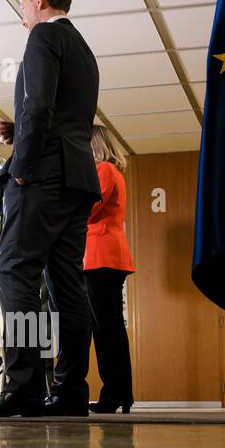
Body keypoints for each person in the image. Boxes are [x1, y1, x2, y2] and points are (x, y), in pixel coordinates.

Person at [0, 0, 100, 418]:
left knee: (15, 273)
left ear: (38, 0)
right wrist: (19, 132)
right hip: (77, 179)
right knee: (67, 287)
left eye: (23, 5)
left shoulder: (43, 35)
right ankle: (70, 391)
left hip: (42, 178)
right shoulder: (83, 48)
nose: (22, 16)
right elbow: (58, 116)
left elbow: (40, 105)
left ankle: (23, 388)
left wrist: (20, 167)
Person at [84, 125, 136, 414]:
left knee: (106, 330)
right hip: (108, 255)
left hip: (101, 255)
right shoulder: (112, 171)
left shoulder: (103, 169)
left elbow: (88, 209)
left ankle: (114, 394)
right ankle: (120, 394)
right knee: (110, 328)